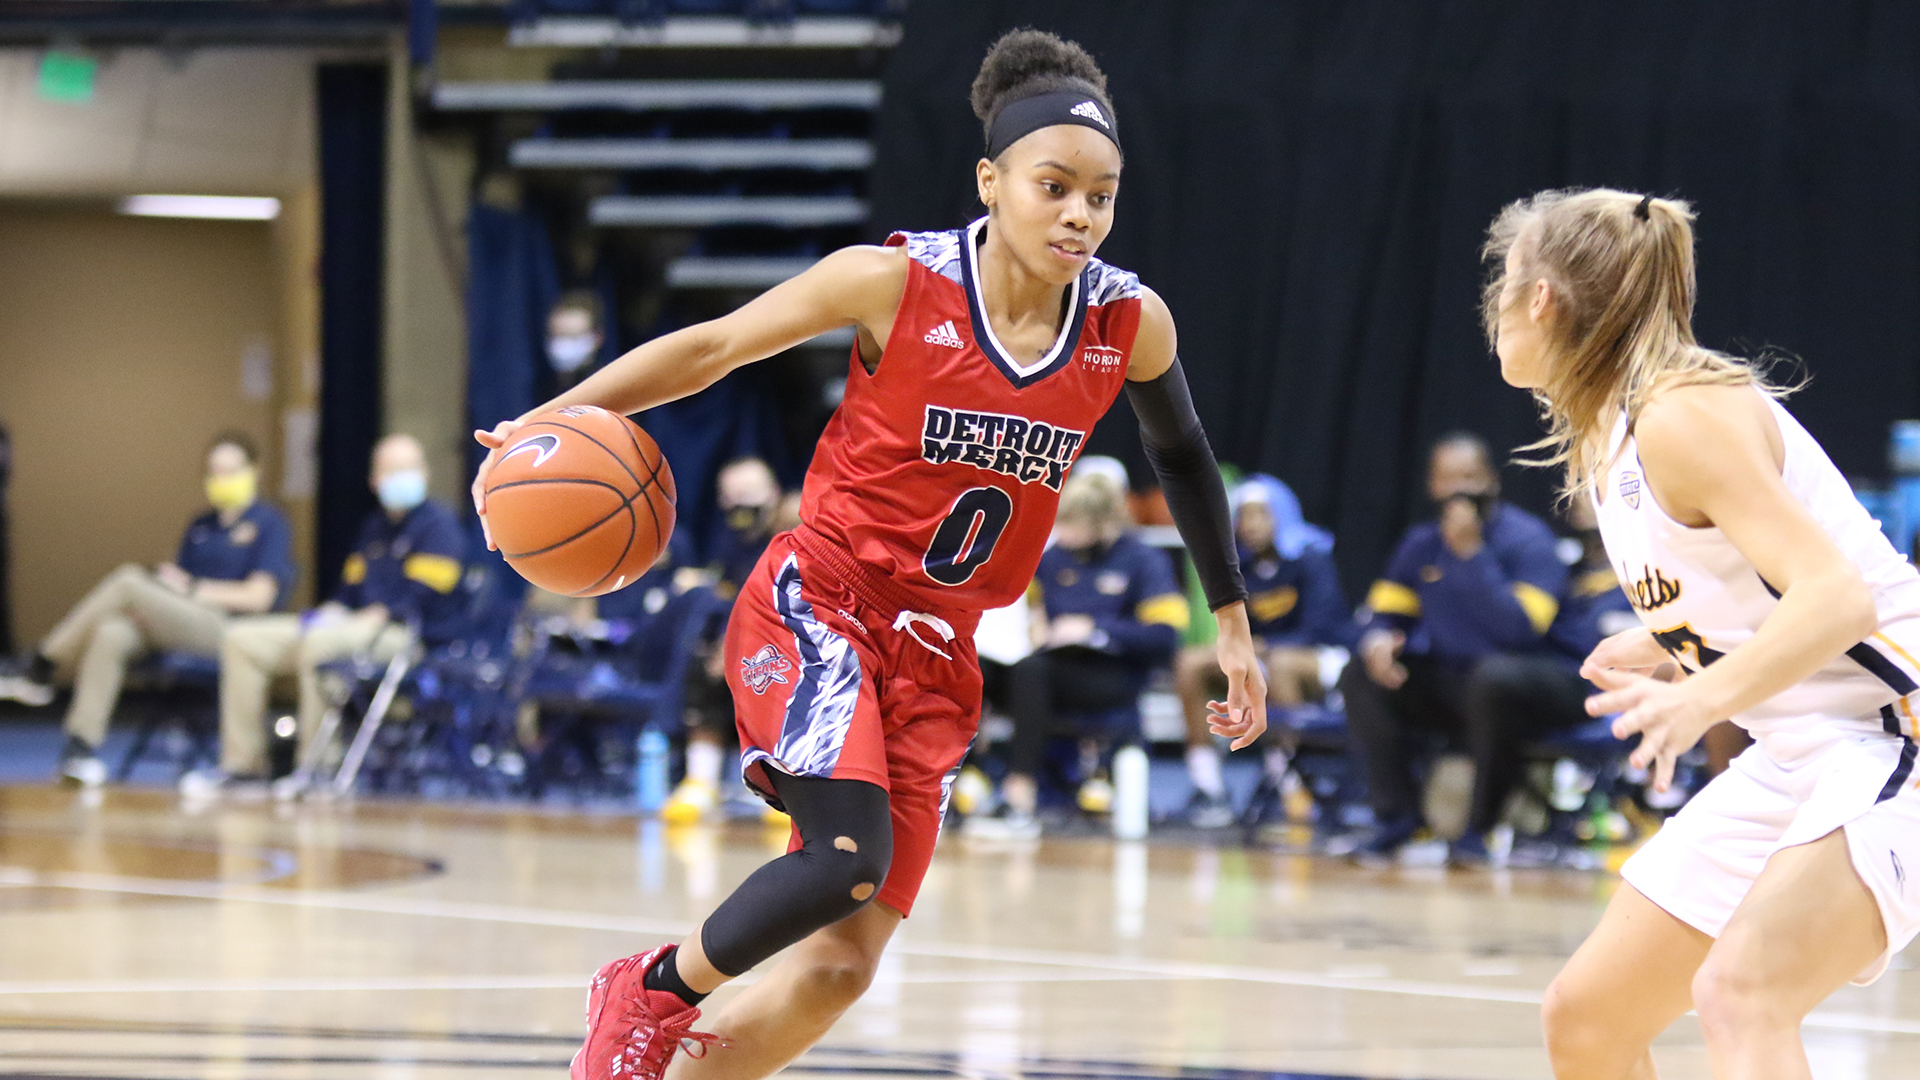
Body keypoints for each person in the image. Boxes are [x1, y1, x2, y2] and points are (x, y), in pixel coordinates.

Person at [472, 29, 1266, 1080]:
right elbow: (712, 347)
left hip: (943, 648)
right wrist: (555, 414)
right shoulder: (891, 281)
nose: (1081, 213)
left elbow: (1188, 459)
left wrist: (1236, 629)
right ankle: (649, 989)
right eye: (1054, 186)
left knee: (841, 968)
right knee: (845, 859)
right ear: (992, 181)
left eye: (1102, 194)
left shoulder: (1129, 321)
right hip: (826, 602)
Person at [1487, 189, 1920, 1078]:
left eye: (1500, 284)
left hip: (1899, 728)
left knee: (1741, 991)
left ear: (1539, 299)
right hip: (1806, 747)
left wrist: (1696, 696)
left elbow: (1840, 600)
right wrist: (1671, 642)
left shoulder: (1681, 411)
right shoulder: (1616, 430)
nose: (1492, 307)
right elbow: (1761, 580)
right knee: (1589, 1017)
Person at [185, 433, 465, 798]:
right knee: (243, 639)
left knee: (321, 645)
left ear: (425, 473)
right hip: (354, 625)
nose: (401, 477)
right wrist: (326, 613)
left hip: (408, 636)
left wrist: (369, 616)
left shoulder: (439, 526)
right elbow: (348, 592)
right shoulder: (373, 528)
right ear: (374, 480)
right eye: (391, 470)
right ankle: (244, 767)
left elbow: (423, 597)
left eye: (409, 469)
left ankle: (316, 768)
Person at [6, 433, 294, 787]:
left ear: (254, 470)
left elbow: (259, 598)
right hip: (184, 621)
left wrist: (192, 589)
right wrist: (160, 603)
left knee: (128, 581)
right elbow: (176, 585)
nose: (222, 479)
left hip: (233, 630)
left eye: (231, 470)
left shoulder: (269, 522)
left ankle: (43, 663)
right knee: (113, 631)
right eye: (215, 471)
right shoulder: (201, 525)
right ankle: (80, 748)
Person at [1337, 432, 1570, 861]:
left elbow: (1519, 631)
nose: (1460, 490)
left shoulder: (1529, 541)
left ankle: (1478, 831)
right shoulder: (1421, 544)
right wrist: (1377, 640)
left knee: (1493, 678)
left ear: (1492, 482)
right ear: (1432, 486)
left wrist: (1471, 554)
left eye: (1470, 477)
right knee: (1360, 674)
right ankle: (1399, 818)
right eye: (1449, 479)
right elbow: (1381, 614)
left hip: (1529, 684)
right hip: (1457, 682)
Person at [969, 467, 1187, 836]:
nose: (1063, 532)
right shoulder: (1053, 557)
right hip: (1045, 665)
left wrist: (1094, 629)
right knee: (974, 668)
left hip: (1111, 675)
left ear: (1102, 523)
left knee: (1032, 672)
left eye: (1073, 524)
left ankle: (1020, 792)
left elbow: (1166, 635)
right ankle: (964, 777)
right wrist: (1033, 624)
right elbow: (1026, 608)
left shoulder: (1144, 561)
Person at [1174, 476, 1349, 826]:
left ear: (1282, 516)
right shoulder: (1239, 566)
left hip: (1320, 656)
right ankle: (1208, 786)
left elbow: (1322, 627)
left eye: (1261, 516)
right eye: (1245, 516)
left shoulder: (1310, 558)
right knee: (1191, 663)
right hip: (1260, 658)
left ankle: (1294, 784)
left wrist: (1262, 647)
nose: (1251, 526)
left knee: (1281, 665)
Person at [664, 456, 786, 824]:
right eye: (731, 500)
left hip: (791, 645)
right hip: (741, 646)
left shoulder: (792, 537)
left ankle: (790, 784)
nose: (739, 510)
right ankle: (701, 781)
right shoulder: (728, 544)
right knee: (704, 663)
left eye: (748, 498)